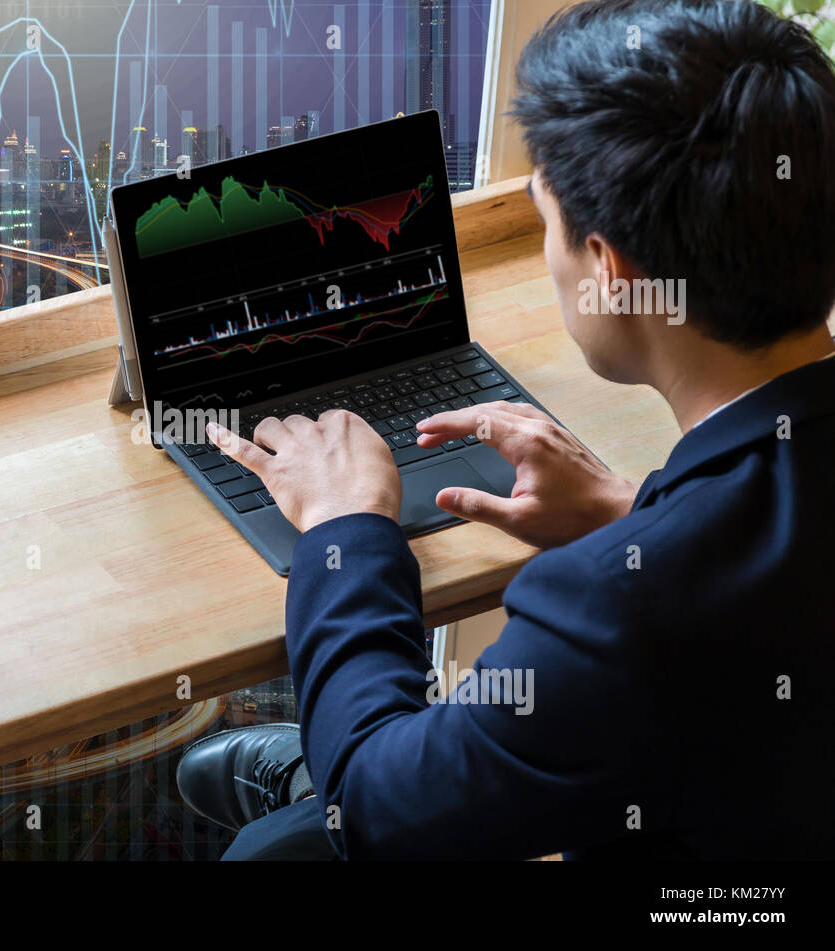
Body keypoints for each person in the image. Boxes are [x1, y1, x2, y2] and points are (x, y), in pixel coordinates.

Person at [175, 0, 835, 860]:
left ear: (612, 269)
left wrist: (347, 529)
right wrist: (633, 515)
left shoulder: (611, 608)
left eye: (545, 221)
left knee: (279, 846)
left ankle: (325, 760)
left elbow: (376, 812)